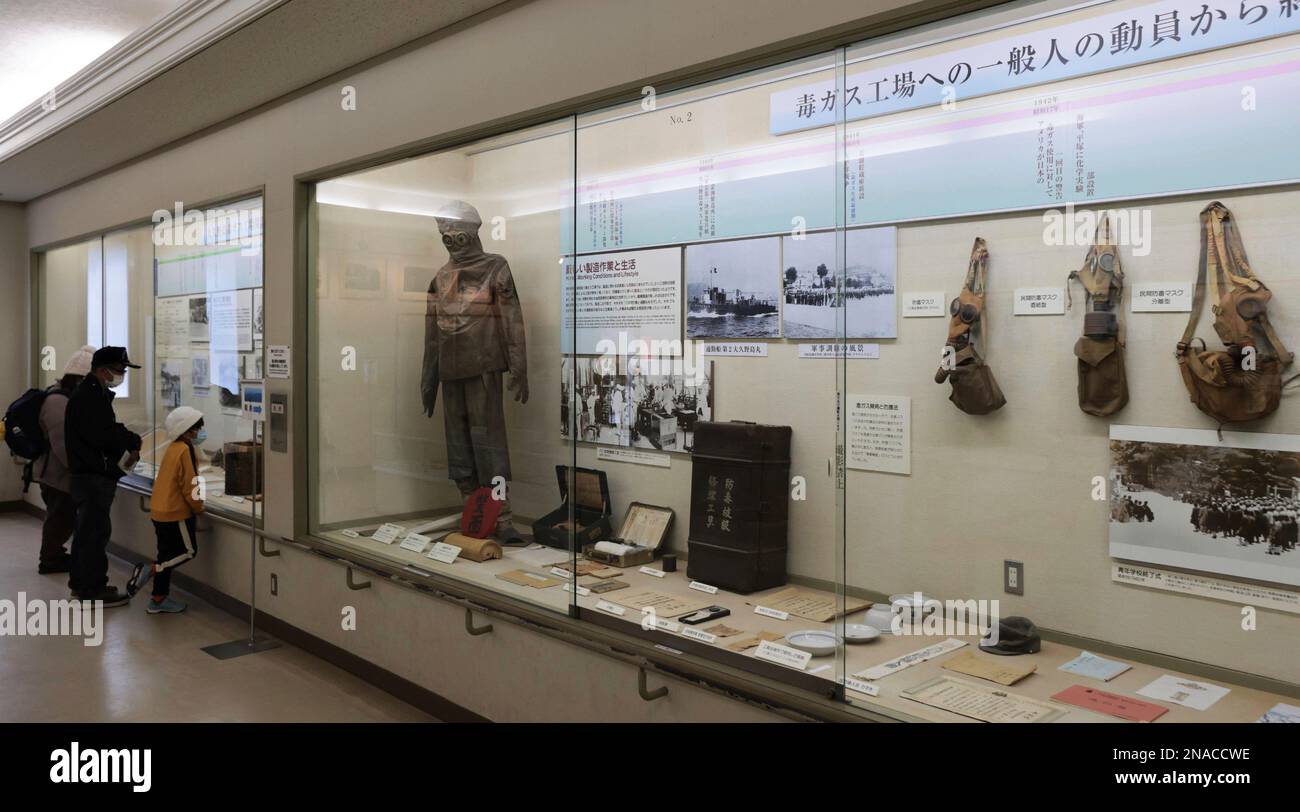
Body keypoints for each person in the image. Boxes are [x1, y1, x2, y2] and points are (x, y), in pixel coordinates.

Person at [65, 346, 142, 606]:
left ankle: (83, 585)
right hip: (93, 477)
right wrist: (130, 441)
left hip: (91, 476)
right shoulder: (88, 397)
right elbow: (103, 435)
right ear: (101, 370)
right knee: (94, 533)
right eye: (118, 370)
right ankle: (92, 589)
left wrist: (128, 439)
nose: (121, 375)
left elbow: (106, 428)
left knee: (88, 532)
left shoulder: (93, 394)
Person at [128, 407, 205, 613]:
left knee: (166, 554)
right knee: (188, 551)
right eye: (196, 429)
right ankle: (150, 569)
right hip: (176, 512)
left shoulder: (172, 447)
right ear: (187, 430)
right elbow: (191, 483)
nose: (199, 433)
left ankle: (158, 599)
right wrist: (198, 507)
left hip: (159, 509)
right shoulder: (185, 449)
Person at [33, 345, 95, 574]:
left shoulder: (68, 397)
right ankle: (50, 559)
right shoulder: (58, 401)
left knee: (62, 517)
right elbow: (62, 444)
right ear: (80, 378)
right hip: (57, 475)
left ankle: (54, 555)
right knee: (60, 518)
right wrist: (82, 467)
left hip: (61, 472)